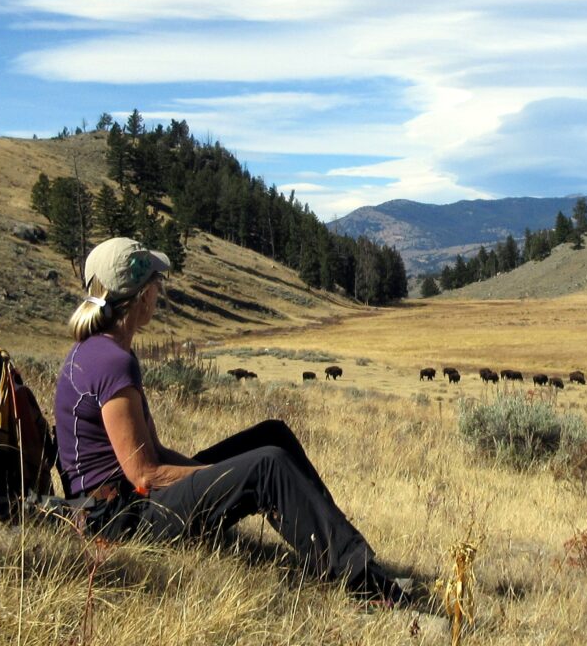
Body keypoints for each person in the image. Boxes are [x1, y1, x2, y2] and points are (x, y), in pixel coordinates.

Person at [53, 237, 407, 604]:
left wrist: (216, 472)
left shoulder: (100, 351)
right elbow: (144, 474)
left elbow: (153, 453)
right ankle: (367, 587)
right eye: (157, 283)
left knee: (273, 436)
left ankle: (340, 549)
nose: (159, 291)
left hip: (122, 506)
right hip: (121, 520)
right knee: (269, 465)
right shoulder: (112, 362)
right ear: (142, 295)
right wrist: (221, 475)